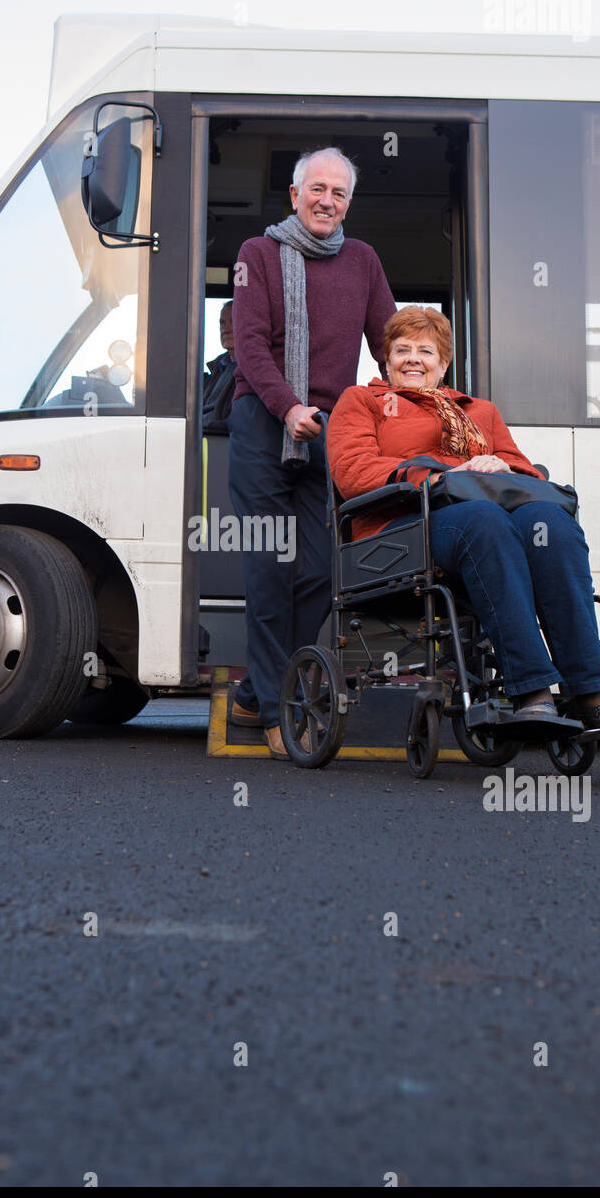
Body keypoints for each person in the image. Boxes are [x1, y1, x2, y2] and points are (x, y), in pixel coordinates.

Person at [326, 305, 600, 729]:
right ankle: (532, 691)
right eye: (402, 350)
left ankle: (591, 692)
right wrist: (440, 475)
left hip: (484, 522)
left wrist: (501, 466)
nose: (413, 358)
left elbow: (523, 468)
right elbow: (353, 472)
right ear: (387, 360)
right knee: (484, 522)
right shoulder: (363, 401)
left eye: (425, 351)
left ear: (443, 364)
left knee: (553, 524)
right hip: (402, 528)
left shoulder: (480, 411)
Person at [228, 146, 397, 756]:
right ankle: (276, 704)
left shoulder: (363, 261)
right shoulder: (257, 255)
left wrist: (407, 397)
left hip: (330, 426)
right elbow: (249, 346)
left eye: (340, 193)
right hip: (262, 422)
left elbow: (388, 341)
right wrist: (288, 407)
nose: (328, 200)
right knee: (270, 569)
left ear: (349, 202)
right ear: (295, 194)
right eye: (317, 188)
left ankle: (260, 690)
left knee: (325, 569)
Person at [202, 300, 237, 434]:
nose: (225, 329)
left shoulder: (251, 372)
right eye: (222, 323)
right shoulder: (216, 370)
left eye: (232, 322)